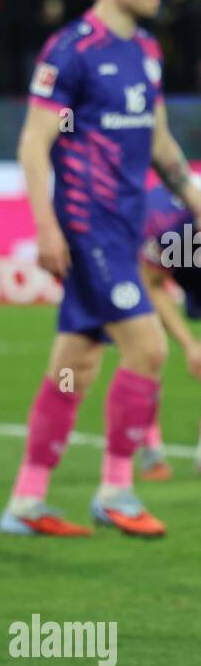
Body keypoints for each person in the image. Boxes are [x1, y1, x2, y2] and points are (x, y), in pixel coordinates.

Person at [1, 0, 201, 540]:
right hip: (87, 227)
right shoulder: (72, 50)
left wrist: (192, 196)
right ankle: (116, 489)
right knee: (150, 349)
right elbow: (34, 143)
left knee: (76, 364)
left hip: (125, 225)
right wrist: (47, 227)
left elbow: (159, 137)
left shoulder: (145, 49)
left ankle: (26, 503)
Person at [136, 183, 201, 481]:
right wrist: (190, 345)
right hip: (135, 262)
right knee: (147, 351)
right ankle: (150, 452)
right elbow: (152, 284)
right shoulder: (170, 226)